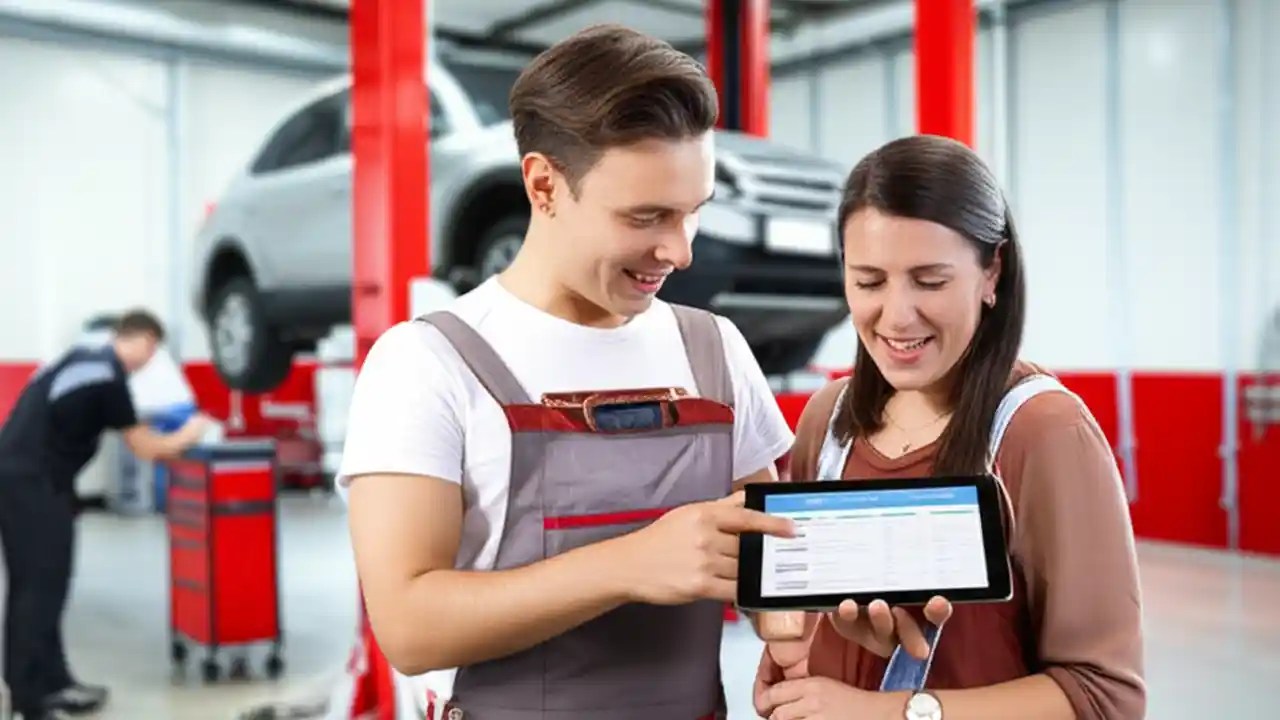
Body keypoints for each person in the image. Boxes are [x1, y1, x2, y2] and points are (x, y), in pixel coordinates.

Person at [341, 23, 801, 720]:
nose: (678, 251)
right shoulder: (428, 363)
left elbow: (772, 570)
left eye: (692, 214)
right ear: (544, 185)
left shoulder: (714, 348)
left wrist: (810, 639)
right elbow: (409, 627)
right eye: (646, 217)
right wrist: (630, 565)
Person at [753, 135, 1146, 720]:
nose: (897, 315)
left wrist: (895, 711)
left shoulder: (1045, 433)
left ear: (992, 273)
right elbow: (803, 622)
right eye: (868, 281)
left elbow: (1104, 696)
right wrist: (785, 657)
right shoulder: (828, 421)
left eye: (929, 281)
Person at [0, 310, 210, 719]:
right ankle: (30, 698)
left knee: (39, 584)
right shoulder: (110, 378)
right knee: (39, 589)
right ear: (144, 340)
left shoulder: (83, 359)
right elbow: (146, 448)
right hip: (33, 485)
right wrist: (192, 431)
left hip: (27, 479)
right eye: (151, 350)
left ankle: (54, 682)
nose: (149, 361)